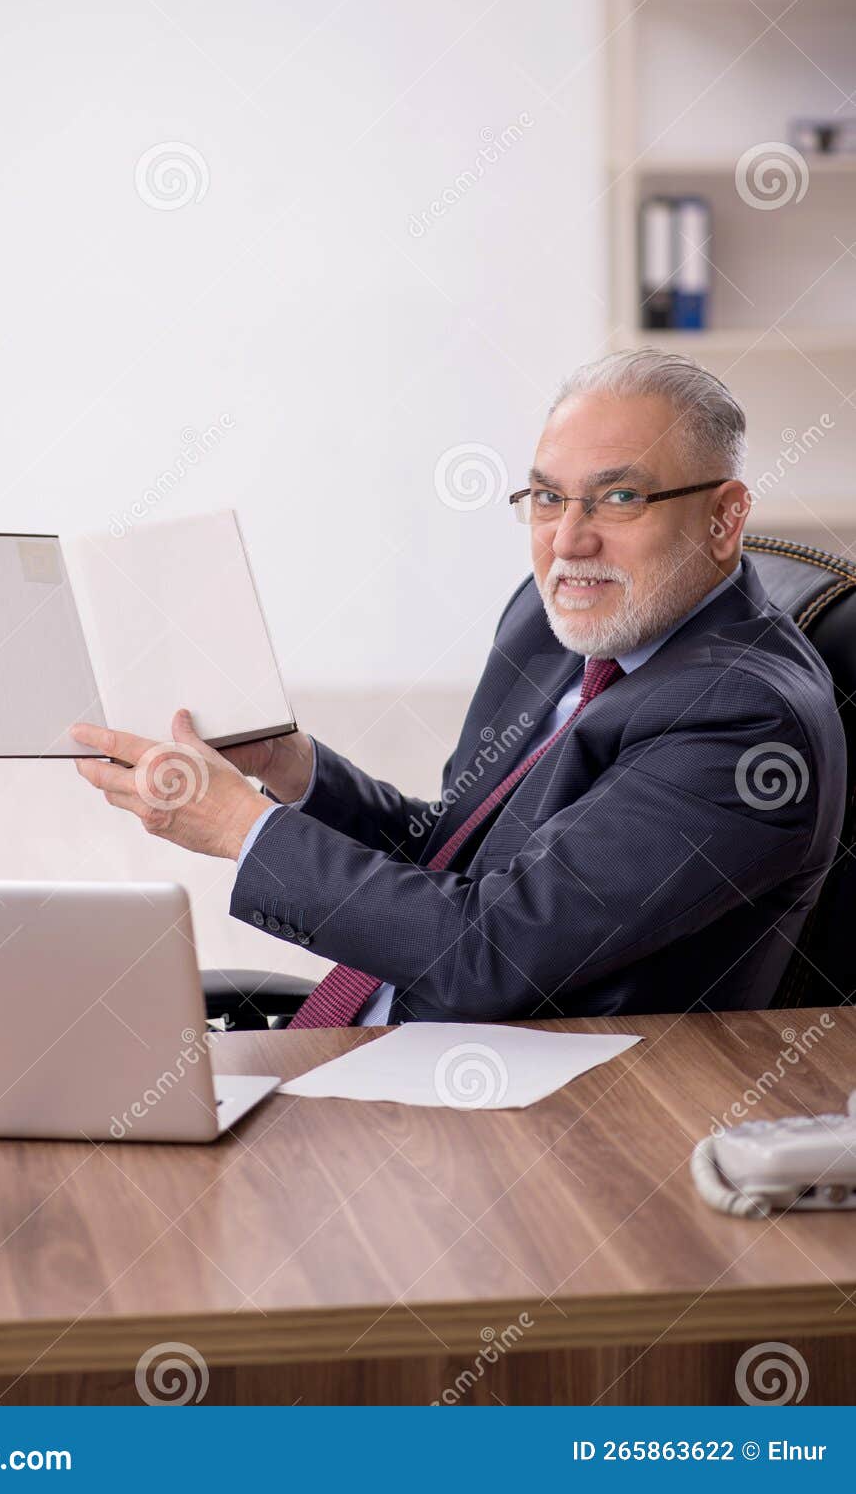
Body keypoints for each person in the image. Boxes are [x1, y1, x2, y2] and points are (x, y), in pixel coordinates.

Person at [72, 349, 845, 1024]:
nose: (568, 541)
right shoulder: (547, 626)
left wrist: (242, 831)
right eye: (547, 497)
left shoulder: (747, 723)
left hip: (525, 1116)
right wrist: (294, 768)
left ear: (723, 519)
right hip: (383, 1040)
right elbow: (454, 859)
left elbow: (488, 950)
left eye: (620, 498)